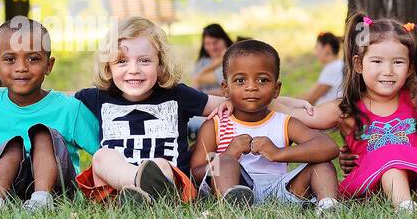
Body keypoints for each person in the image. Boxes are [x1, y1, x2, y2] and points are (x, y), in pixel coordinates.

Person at [74, 17, 314, 205]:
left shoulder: (178, 95)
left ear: (161, 64)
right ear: (108, 66)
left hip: (169, 187)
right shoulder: (97, 97)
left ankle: (149, 190)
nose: (133, 69)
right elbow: (57, 101)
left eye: (144, 61)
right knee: (102, 157)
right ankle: (136, 190)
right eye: (122, 62)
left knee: (160, 164)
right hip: (114, 191)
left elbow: (237, 100)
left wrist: (284, 101)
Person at [307, 13, 417, 212]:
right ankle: (405, 207)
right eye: (377, 62)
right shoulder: (347, 108)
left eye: (398, 62)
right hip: (374, 183)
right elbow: (308, 114)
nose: (388, 70)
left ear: (409, 68)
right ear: (359, 64)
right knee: (391, 160)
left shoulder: (414, 94)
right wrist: (272, 101)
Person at [0, 16, 100, 211]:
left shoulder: (70, 109)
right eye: (10, 59)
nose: (21, 67)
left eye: (33, 58)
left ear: (49, 65)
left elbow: (103, 151)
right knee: (13, 145)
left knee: (42, 134)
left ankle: (41, 200)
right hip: (5, 185)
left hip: (57, 191)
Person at [188, 39, 340, 211]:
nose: (251, 87)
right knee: (223, 161)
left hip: (281, 189)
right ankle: (230, 205)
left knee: (322, 165)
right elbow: (194, 173)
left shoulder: (283, 122)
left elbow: (328, 147)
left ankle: (328, 206)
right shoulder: (215, 125)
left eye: (262, 80)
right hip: (237, 185)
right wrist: (229, 154)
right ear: (225, 88)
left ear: (276, 89)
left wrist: (278, 153)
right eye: (240, 81)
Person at [303, 31, 344, 105]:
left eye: (317, 48)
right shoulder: (339, 65)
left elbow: (311, 98)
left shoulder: (333, 68)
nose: (316, 53)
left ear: (327, 48)